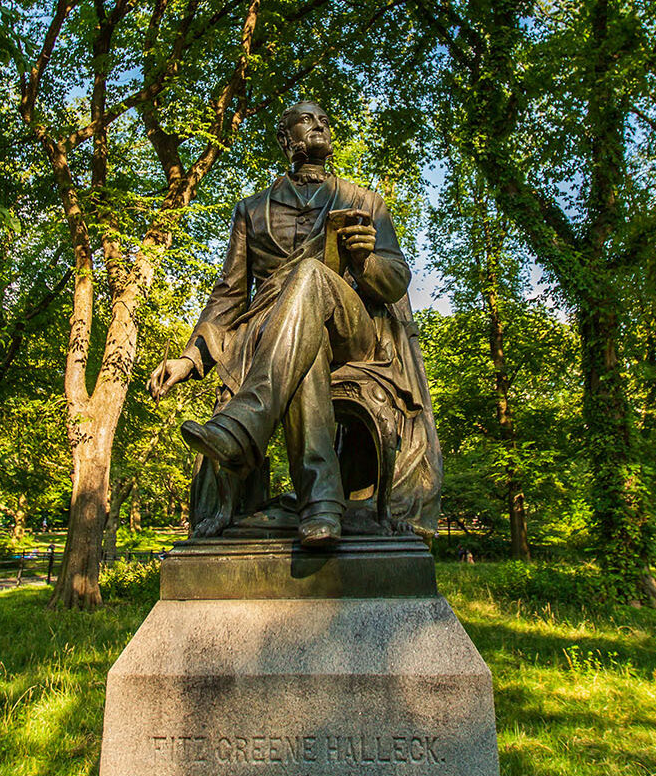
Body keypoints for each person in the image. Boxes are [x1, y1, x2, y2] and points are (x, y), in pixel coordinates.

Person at [148, 100, 441, 547]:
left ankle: (242, 426)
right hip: (287, 339)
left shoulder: (365, 202)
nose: (320, 125)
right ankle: (321, 506)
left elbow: (397, 281)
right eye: (308, 120)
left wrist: (365, 260)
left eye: (325, 120)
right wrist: (190, 358)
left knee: (309, 276)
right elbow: (228, 294)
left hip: (353, 328)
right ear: (286, 140)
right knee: (305, 347)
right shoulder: (252, 211)